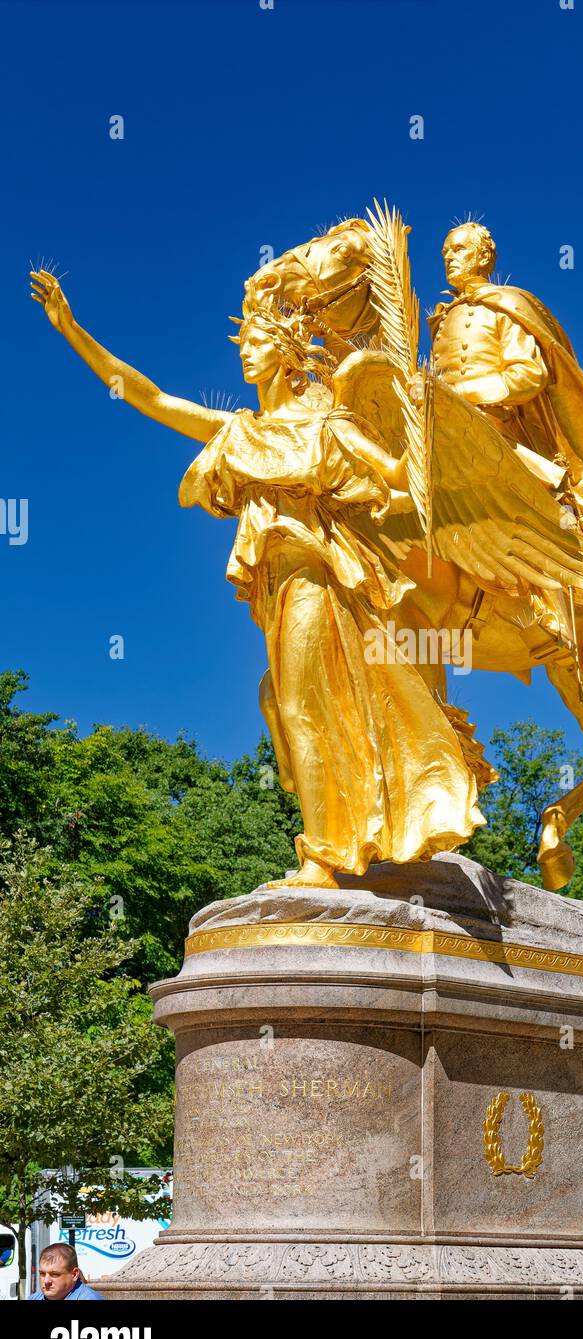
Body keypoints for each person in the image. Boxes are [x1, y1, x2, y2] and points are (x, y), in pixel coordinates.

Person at [30, 270, 487, 888]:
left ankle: (322, 859)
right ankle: (346, 838)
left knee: (300, 705)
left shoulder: (330, 427)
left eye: (255, 339)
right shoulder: (240, 431)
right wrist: (73, 330)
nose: (244, 350)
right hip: (275, 593)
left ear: (289, 350)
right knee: (284, 704)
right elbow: (154, 400)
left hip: (316, 581)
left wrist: (422, 413)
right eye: (242, 341)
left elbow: (404, 478)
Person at [428, 221, 583, 519]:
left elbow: (529, 374)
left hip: (497, 429)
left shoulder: (505, 305)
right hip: (442, 428)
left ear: (483, 257)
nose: (449, 257)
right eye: (445, 252)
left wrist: (462, 394)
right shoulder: (442, 319)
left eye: (459, 249)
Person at [28, 1243, 104, 1301]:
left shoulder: (90, 1298)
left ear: (74, 1274)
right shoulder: (34, 1298)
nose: (46, 1281)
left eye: (54, 1274)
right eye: (42, 1274)